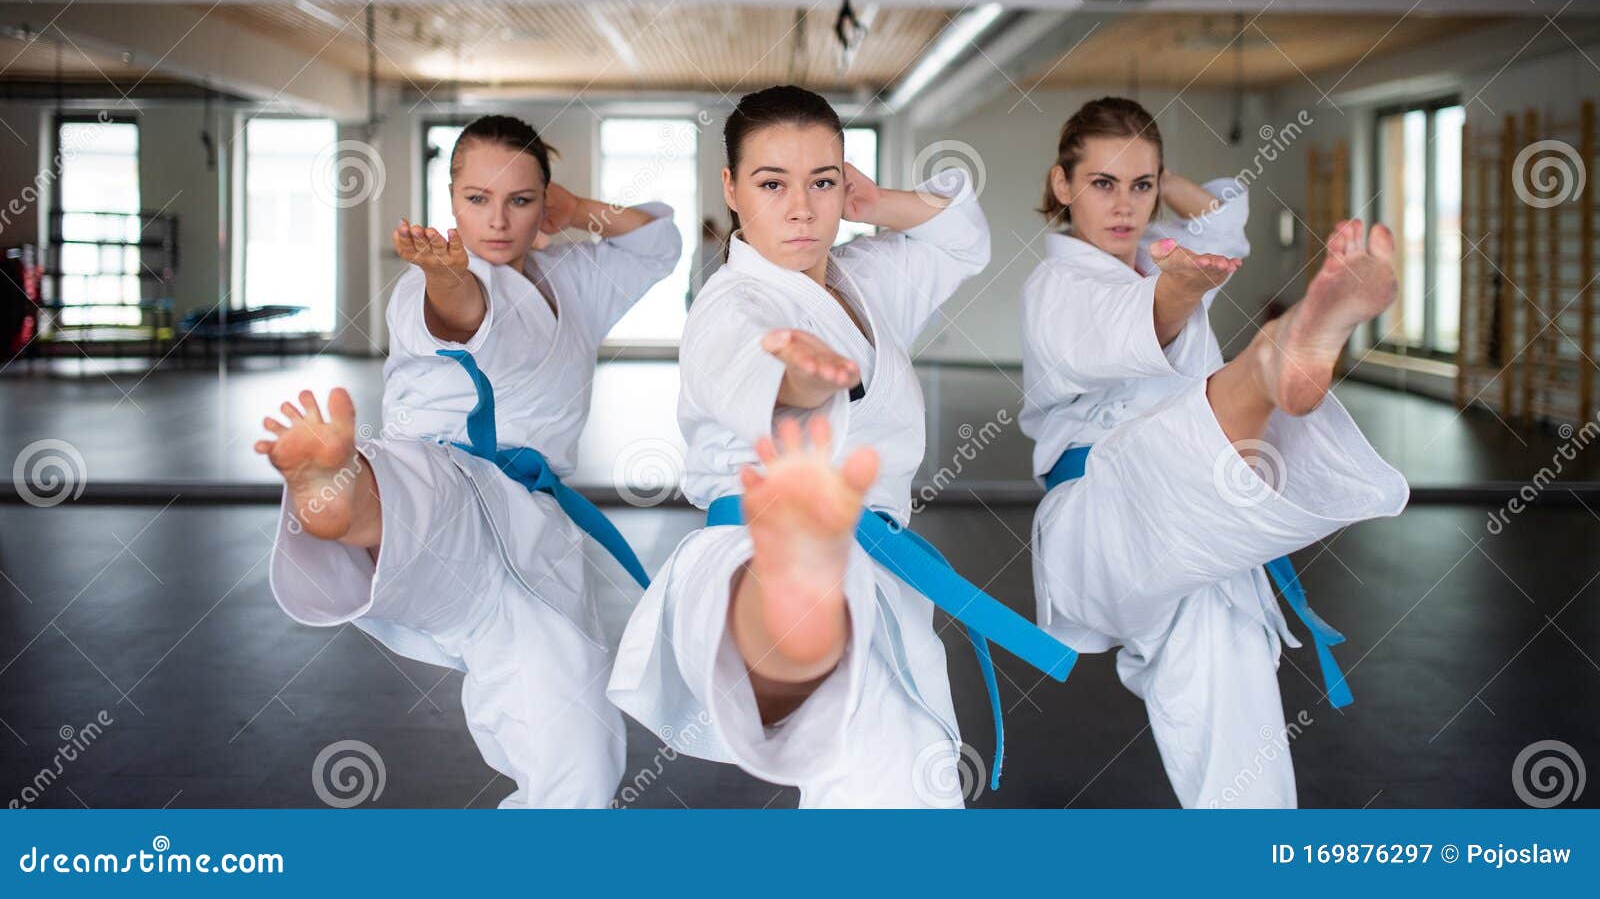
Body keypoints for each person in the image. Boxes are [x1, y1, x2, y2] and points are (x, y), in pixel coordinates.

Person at [609, 85, 1072, 808]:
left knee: (909, 780)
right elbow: (748, 370)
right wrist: (799, 375)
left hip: (874, 566)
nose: (801, 208)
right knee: (889, 775)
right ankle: (797, 602)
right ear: (730, 188)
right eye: (771, 183)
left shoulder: (865, 276)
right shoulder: (732, 305)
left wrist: (876, 202)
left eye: (821, 181)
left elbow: (963, 240)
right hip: (756, 551)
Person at [257, 115, 680, 807]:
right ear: (450, 198)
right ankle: (340, 488)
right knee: (421, 499)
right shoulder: (429, 285)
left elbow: (656, 246)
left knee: (577, 739)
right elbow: (466, 316)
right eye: (477, 198)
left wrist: (579, 211)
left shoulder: (573, 280)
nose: (498, 220)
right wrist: (446, 278)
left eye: (521, 200)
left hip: (531, 525)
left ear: (546, 203)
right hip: (443, 471)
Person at [1021, 96, 1409, 808]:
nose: (1125, 204)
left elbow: (1226, 232)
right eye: (1102, 183)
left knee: (1238, 716)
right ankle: (1268, 364)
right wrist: (1172, 293)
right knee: (1171, 444)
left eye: (1141, 185)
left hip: (1195, 525)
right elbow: (1124, 325)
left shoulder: (1160, 250)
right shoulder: (1060, 285)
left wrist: (1159, 192)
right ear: (1061, 183)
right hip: (1101, 518)